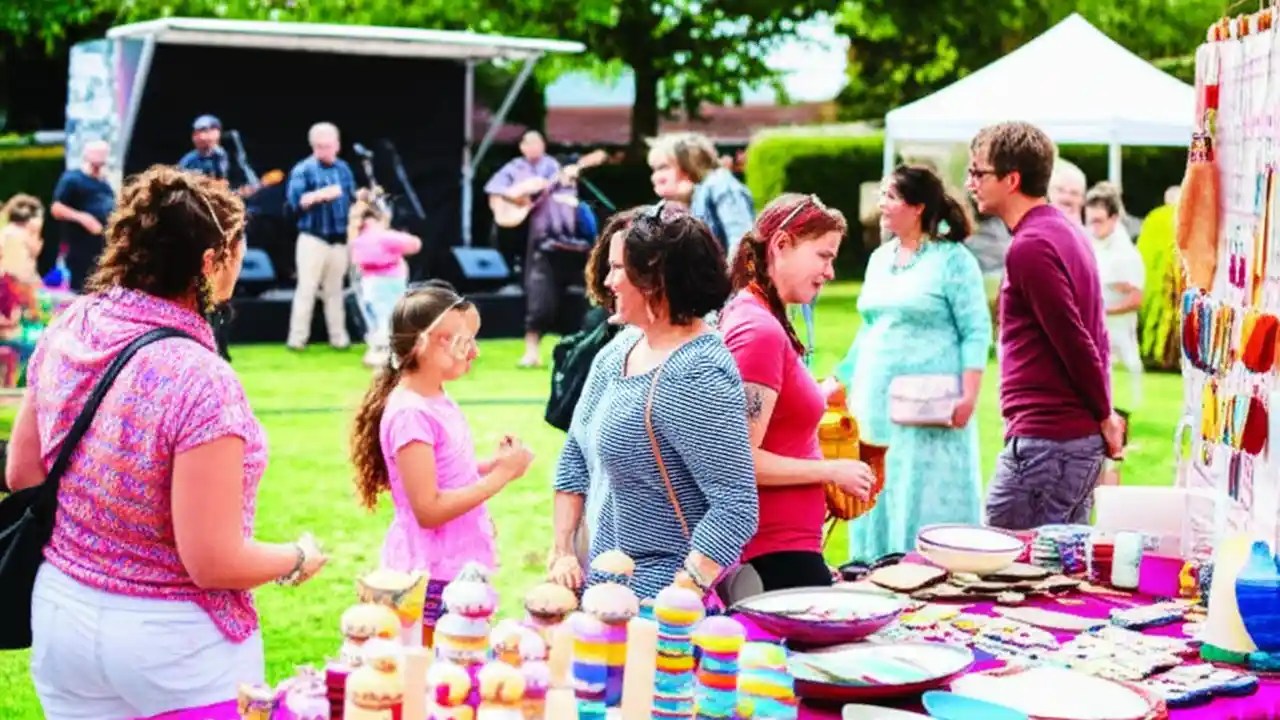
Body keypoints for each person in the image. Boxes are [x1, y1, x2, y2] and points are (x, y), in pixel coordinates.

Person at [6, 165, 327, 719]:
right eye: (236, 250)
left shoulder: (74, 322)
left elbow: (22, 474)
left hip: (64, 614)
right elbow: (212, 560)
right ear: (209, 262)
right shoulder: (201, 378)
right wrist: (298, 557)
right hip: (173, 642)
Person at [548, 203, 759, 602]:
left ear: (655, 278)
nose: (608, 281)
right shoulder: (621, 348)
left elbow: (735, 506)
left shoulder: (697, 371)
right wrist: (562, 552)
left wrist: (681, 595)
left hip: (659, 604)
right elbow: (575, 451)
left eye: (617, 268)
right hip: (603, 593)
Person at [350, 282, 533, 647]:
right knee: (439, 668)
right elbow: (428, 509)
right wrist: (500, 477)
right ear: (427, 344)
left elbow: (445, 473)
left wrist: (492, 465)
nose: (475, 352)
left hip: (453, 567)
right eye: (465, 342)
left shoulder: (435, 398)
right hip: (431, 575)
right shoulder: (410, 414)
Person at [828, 166, 993, 561]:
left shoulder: (953, 260)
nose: (881, 204)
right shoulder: (878, 259)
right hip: (875, 401)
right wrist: (839, 379)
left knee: (922, 488)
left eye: (890, 196)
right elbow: (869, 329)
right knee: (879, 484)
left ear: (917, 207)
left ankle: (930, 565)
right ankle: (874, 566)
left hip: (929, 406)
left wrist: (969, 394)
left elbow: (975, 329)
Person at [965, 122, 1124, 530]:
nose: (970, 183)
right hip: (1063, 443)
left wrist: (1105, 413)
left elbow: (1076, 341)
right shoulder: (1064, 232)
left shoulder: (1032, 246)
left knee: (1007, 556)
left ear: (1012, 179)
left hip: (1049, 443)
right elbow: (1094, 336)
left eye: (978, 172)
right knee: (1054, 563)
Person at [719, 193, 874, 592]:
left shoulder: (760, 316)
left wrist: (816, 396)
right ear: (782, 244)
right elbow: (740, 460)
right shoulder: (759, 330)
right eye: (823, 256)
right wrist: (831, 471)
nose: (830, 272)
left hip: (784, 549)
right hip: (773, 555)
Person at [484, 130, 583, 369]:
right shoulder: (514, 168)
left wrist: (566, 180)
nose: (534, 147)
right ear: (522, 147)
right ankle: (531, 351)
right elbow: (496, 191)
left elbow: (566, 195)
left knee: (566, 296)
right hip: (527, 237)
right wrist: (519, 192)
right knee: (538, 295)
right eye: (529, 143)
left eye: (538, 143)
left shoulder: (553, 167)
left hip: (559, 238)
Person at [285, 121, 357, 351]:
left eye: (328, 146)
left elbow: (352, 199)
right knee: (306, 290)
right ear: (313, 146)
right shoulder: (303, 169)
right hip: (313, 238)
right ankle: (297, 340)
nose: (324, 150)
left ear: (337, 145)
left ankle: (339, 339)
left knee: (335, 291)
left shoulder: (343, 169)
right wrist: (321, 195)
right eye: (319, 146)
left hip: (339, 240)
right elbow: (295, 203)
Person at [178, 113, 240, 362]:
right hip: (200, 234)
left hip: (226, 234)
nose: (206, 136)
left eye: (211, 130)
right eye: (201, 131)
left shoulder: (230, 158)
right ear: (194, 136)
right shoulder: (188, 163)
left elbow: (240, 189)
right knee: (200, 291)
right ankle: (199, 342)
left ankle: (221, 346)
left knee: (224, 293)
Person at [646, 132, 754, 260]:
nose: (654, 178)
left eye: (663, 168)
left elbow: (742, 242)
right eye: (654, 170)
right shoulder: (669, 206)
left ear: (689, 165)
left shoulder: (719, 184)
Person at [1085, 182, 1144, 410]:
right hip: (1092, 334)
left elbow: (1136, 299)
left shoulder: (1126, 254)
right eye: (1090, 220)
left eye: (1099, 221)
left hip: (1119, 339)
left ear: (1114, 218)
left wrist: (1100, 310)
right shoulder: (1089, 243)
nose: (1093, 226)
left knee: (1120, 403)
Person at [349, 197, 422, 367]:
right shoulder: (383, 236)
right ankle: (385, 353)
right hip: (388, 282)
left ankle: (378, 350)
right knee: (388, 317)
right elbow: (415, 244)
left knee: (376, 317)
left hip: (369, 282)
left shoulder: (358, 237)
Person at [50, 139, 115, 292]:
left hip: (100, 249)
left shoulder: (104, 183)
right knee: (80, 289)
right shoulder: (72, 179)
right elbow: (56, 208)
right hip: (80, 249)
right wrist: (84, 219)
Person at [1049, 158, 1087, 226]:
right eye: (1060, 190)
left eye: (1074, 193)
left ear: (1083, 199)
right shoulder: (1035, 226)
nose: (1066, 197)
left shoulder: (1090, 231)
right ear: (1049, 192)